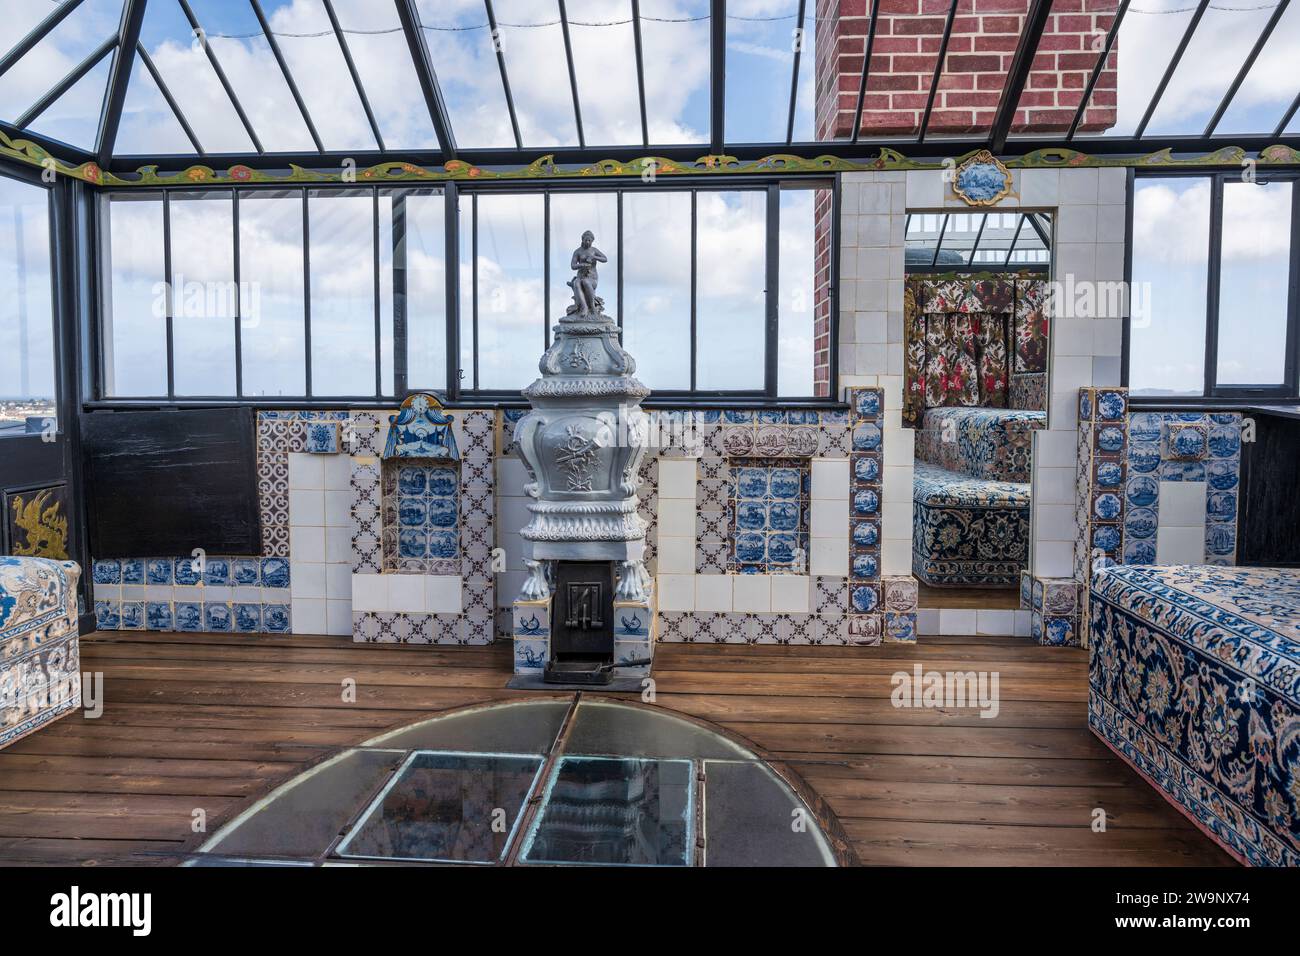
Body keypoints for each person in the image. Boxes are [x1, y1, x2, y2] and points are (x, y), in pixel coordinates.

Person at [566, 230, 607, 316]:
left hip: (592, 278)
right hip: (581, 276)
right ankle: (584, 307)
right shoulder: (577, 251)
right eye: (586, 240)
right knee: (576, 283)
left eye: (589, 241)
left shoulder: (594, 250)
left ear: (592, 241)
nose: (587, 242)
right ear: (582, 240)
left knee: (586, 282)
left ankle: (592, 307)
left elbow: (605, 259)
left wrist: (594, 257)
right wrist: (582, 265)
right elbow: (573, 266)